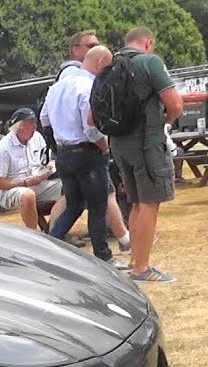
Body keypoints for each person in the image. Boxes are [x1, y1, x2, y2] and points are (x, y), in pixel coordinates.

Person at [38, 45, 128, 269]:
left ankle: (51, 245)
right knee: (97, 206)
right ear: (100, 64)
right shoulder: (89, 86)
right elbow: (91, 127)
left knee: (73, 204)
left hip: (64, 153)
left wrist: (58, 143)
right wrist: (104, 148)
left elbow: (44, 118)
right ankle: (104, 257)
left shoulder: (56, 87)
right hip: (86, 151)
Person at [108, 27, 182, 284]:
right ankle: (142, 268)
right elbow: (175, 105)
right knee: (149, 203)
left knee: (137, 202)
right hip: (147, 143)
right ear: (149, 43)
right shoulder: (150, 62)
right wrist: (164, 121)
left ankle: (135, 261)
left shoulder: (111, 65)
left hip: (119, 145)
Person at [0, 108, 66, 231]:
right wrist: (26, 182)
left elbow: (48, 159)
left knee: (70, 187)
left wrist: (50, 167)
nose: (35, 126)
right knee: (28, 195)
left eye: (35, 122)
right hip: (11, 189)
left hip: (39, 183)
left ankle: (56, 231)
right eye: (31, 123)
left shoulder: (37, 137)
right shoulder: (3, 148)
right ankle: (33, 236)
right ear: (20, 126)